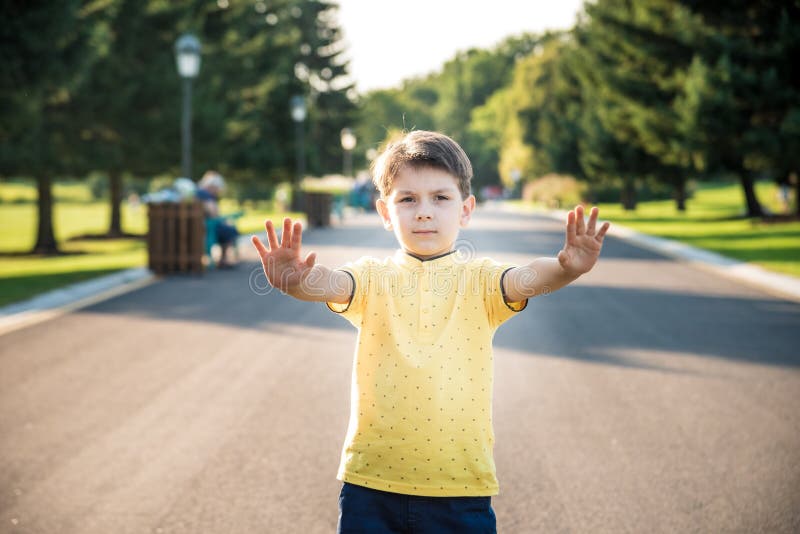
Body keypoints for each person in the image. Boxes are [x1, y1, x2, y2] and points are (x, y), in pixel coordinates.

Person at [251, 131, 610, 533]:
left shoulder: (481, 279)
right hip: (371, 484)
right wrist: (293, 281)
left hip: (460, 487)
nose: (424, 212)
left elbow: (526, 279)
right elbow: (329, 283)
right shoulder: (371, 277)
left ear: (466, 209)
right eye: (407, 199)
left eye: (441, 198)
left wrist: (566, 269)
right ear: (385, 213)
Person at [197, 170, 239, 268]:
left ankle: (223, 259)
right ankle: (223, 260)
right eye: (217, 188)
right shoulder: (205, 194)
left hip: (203, 225)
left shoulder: (200, 192)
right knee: (228, 230)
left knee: (227, 229)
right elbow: (213, 213)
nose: (218, 191)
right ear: (211, 186)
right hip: (207, 227)